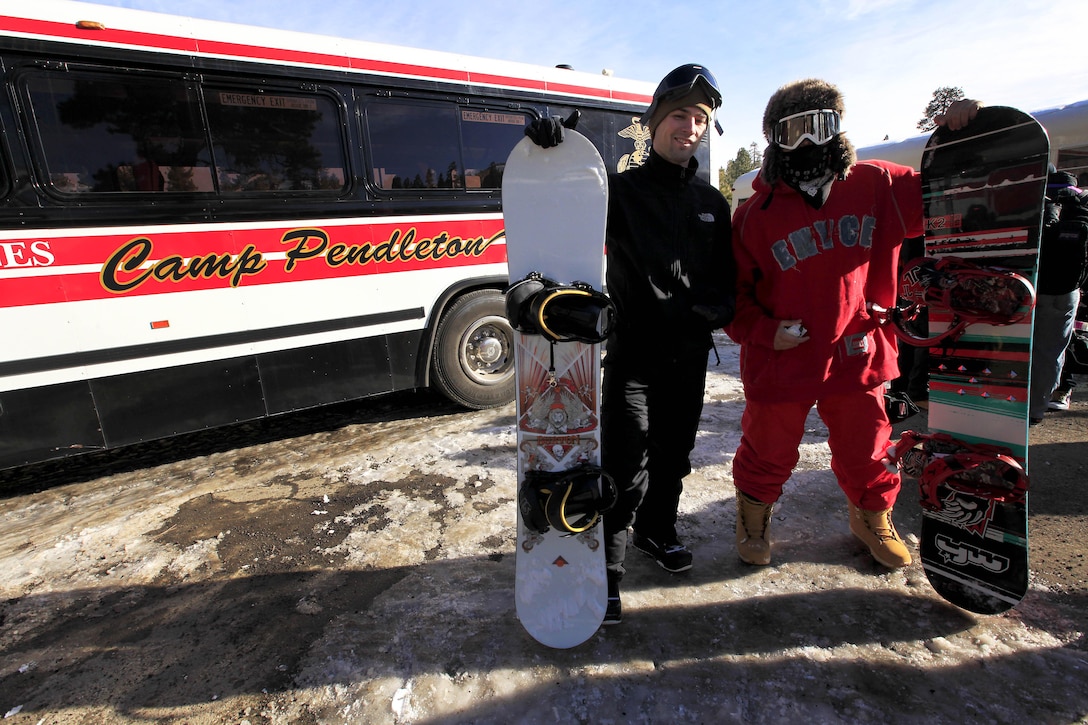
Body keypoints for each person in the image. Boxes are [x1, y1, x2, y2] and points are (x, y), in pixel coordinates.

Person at [725, 78, 979, 569]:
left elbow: (944, 190)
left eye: (818, 126)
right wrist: (763, 331)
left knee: (869, 446)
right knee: (767, 449)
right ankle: (752, 515)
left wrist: (958, 134)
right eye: (791, 131)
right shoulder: (755, 214)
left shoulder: (876, 183)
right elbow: (732, 298)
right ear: (773, 139)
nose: (807, 142)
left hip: (857, 349)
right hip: (783, 354)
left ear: (837, 129)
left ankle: (871, 516)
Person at [524, 64, 736, 625]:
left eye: (699, 118)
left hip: (689, 358)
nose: (689, 127)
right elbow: (561, 204)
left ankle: (657, 532)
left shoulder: (713, 202)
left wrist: (710, 310)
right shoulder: (618, 192)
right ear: (654, 124)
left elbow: (727, 279)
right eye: (678, 116)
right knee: (623, 460)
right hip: (634, 356)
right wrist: (550, 150)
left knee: (674, 456)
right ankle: (609, 571)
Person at [1029, 169, 1088, 423]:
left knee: (1023, 349)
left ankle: (1013, 403)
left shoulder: (1040, 204)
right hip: (1066, 292)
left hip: (1033, 288)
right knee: (1051, 352)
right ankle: (1037, 409)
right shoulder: (1081, 209)